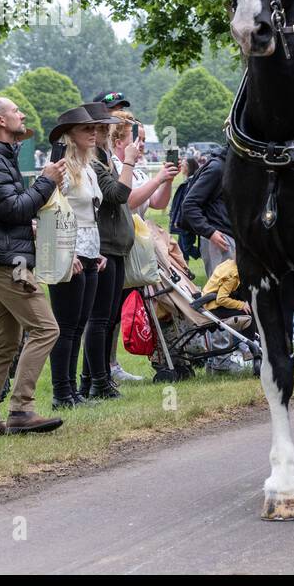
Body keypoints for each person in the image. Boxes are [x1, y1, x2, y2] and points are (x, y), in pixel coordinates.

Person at [0, 96, 65, 435]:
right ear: (0, 121)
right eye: (15, 110)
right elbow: (12, 210)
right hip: (6, 262)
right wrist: (46, 181)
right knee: (46, 328)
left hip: (1, 258)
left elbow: (9, 212)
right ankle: (21, 410)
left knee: (4, 342)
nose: (22, 113)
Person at [45, 106, 114, 408]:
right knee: (66, 325)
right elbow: (50, 212)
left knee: (79, 322)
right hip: (68, 249)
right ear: (69, 134)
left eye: (95, 129)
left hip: (89, 249)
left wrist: (97, 252)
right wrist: (66, 252)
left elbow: (90, 214)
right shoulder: (60, 168)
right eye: (86, 129)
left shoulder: (87, 167)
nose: (93, 133)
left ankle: (72, 391)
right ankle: (62, 392)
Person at [105, 106, 178, 382]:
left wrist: (167, 180)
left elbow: (157, 202)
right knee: (112, 309)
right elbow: (129, 201)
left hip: (138, 245)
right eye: (138, 138)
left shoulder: (138, 169)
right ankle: (106, 367)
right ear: (118, 141)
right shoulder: (115, 166)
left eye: (145, 138)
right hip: (119, 243)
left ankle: (113, 365)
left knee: (131, 303)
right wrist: (159, 178)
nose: (143, 144)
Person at [80, 101, 138, 399]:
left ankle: (93, 379)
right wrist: (128, 162)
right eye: (100, 127)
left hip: (114, 245)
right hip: (103, 246)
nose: (104, 132)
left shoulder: (103, 159)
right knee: (100, 318)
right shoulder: (94, 161)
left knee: (109, 317)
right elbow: (117, 195)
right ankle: (97, 382)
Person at [181, 145, 234, 280]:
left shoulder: (232, 167)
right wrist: (210, 232)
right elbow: (189, 205)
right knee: (221, 296)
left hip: (233, 237)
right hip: (220, 239)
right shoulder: (217, 168)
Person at [168, 156, 202, 261]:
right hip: (183, 221)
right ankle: (185, 271)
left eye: (183, 165)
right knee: (182, 249)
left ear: (189, 167)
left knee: (187, 248)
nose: (181, 167)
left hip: (187, 221)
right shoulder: (189, 182)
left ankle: (202, 254)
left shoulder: (191, 183)